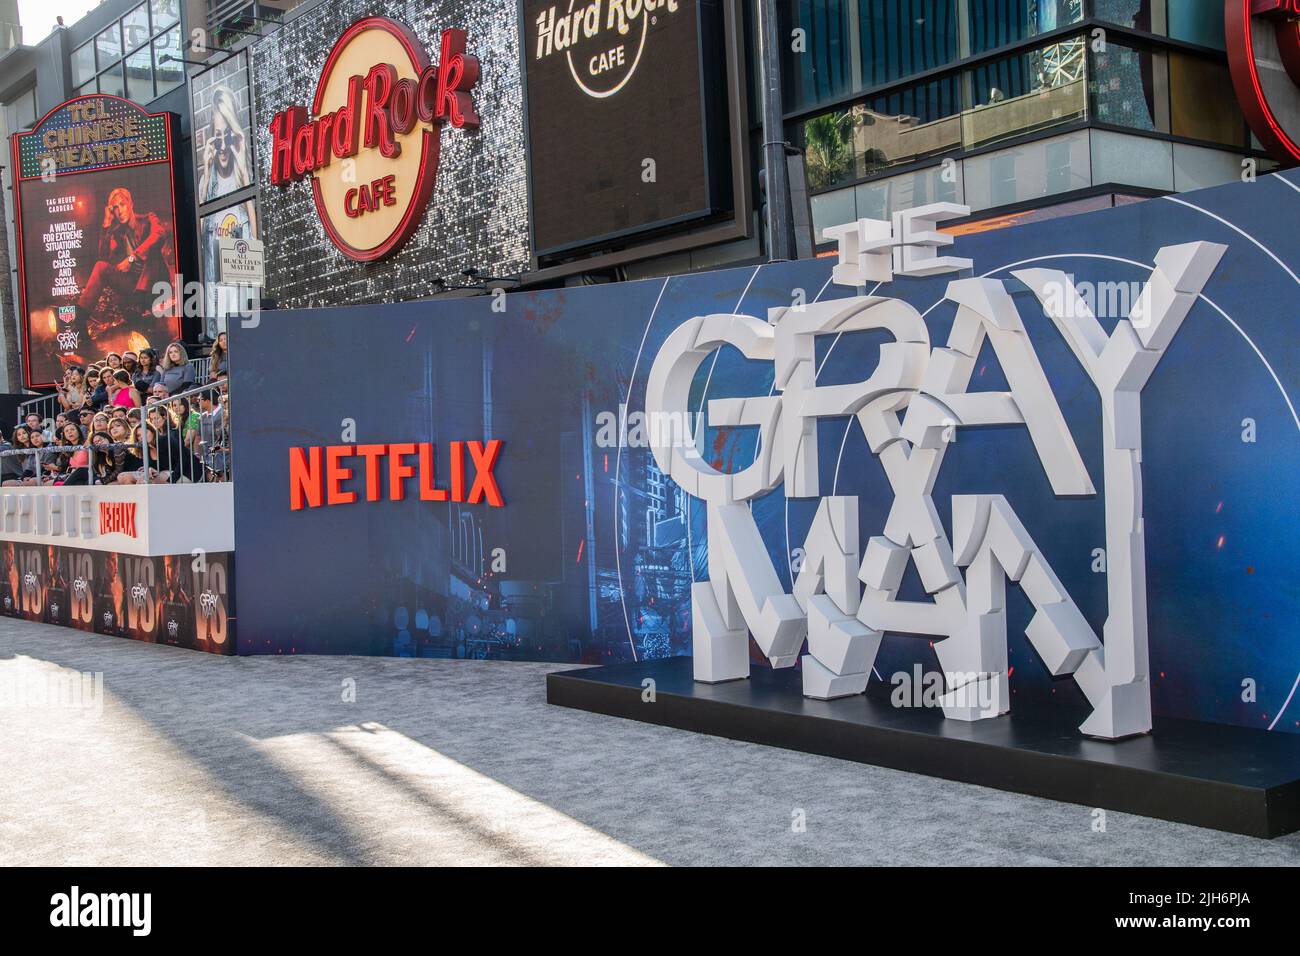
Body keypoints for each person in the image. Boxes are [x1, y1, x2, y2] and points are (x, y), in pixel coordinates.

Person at [76, 189, 171, 334]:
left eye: (122, 204)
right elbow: (103, 256)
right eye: (115, 208)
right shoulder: (117, 232)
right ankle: (79, 319)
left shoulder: (148, 219)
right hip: (132, 287)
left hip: (156, 286)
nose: (119, 211)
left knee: (153, 252)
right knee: (100, 267)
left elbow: (159, 236)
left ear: (131, 204)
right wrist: (106, 223)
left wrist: (132, 258)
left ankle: (138, 303)